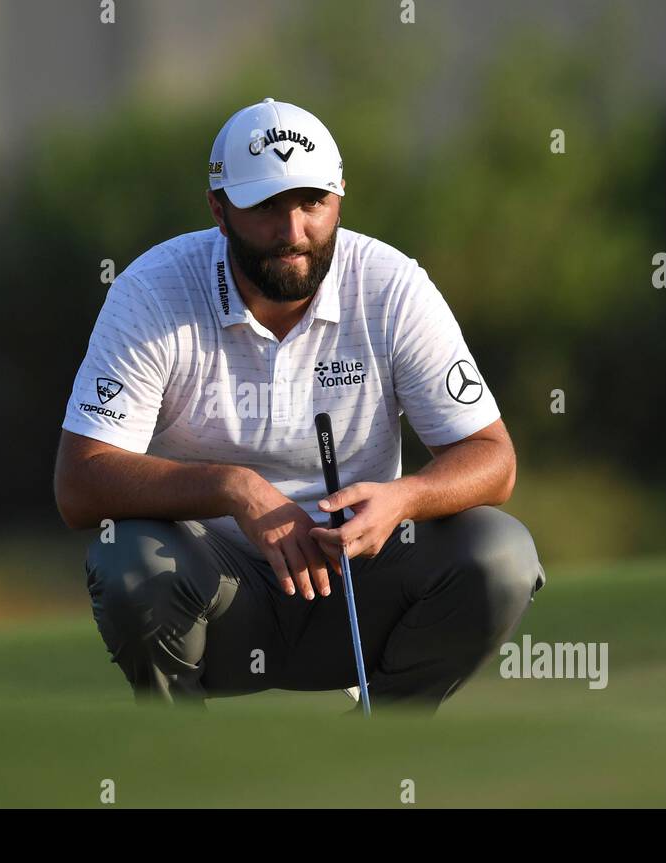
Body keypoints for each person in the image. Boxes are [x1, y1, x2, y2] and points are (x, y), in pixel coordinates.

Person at [53, 98, 546, 714]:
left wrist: (404, 499)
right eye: (265, 206)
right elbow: (79, 483)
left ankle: (383, 743)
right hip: (221, 597)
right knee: (129, 558)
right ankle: (176, 764)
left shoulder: (392, 285)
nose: (293, 232)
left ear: (340, 195)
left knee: (499, 552)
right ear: (219, 208)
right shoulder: (151, 292)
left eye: (312, 202)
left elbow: (493, 460)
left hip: (359, 593)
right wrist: (235, 489)